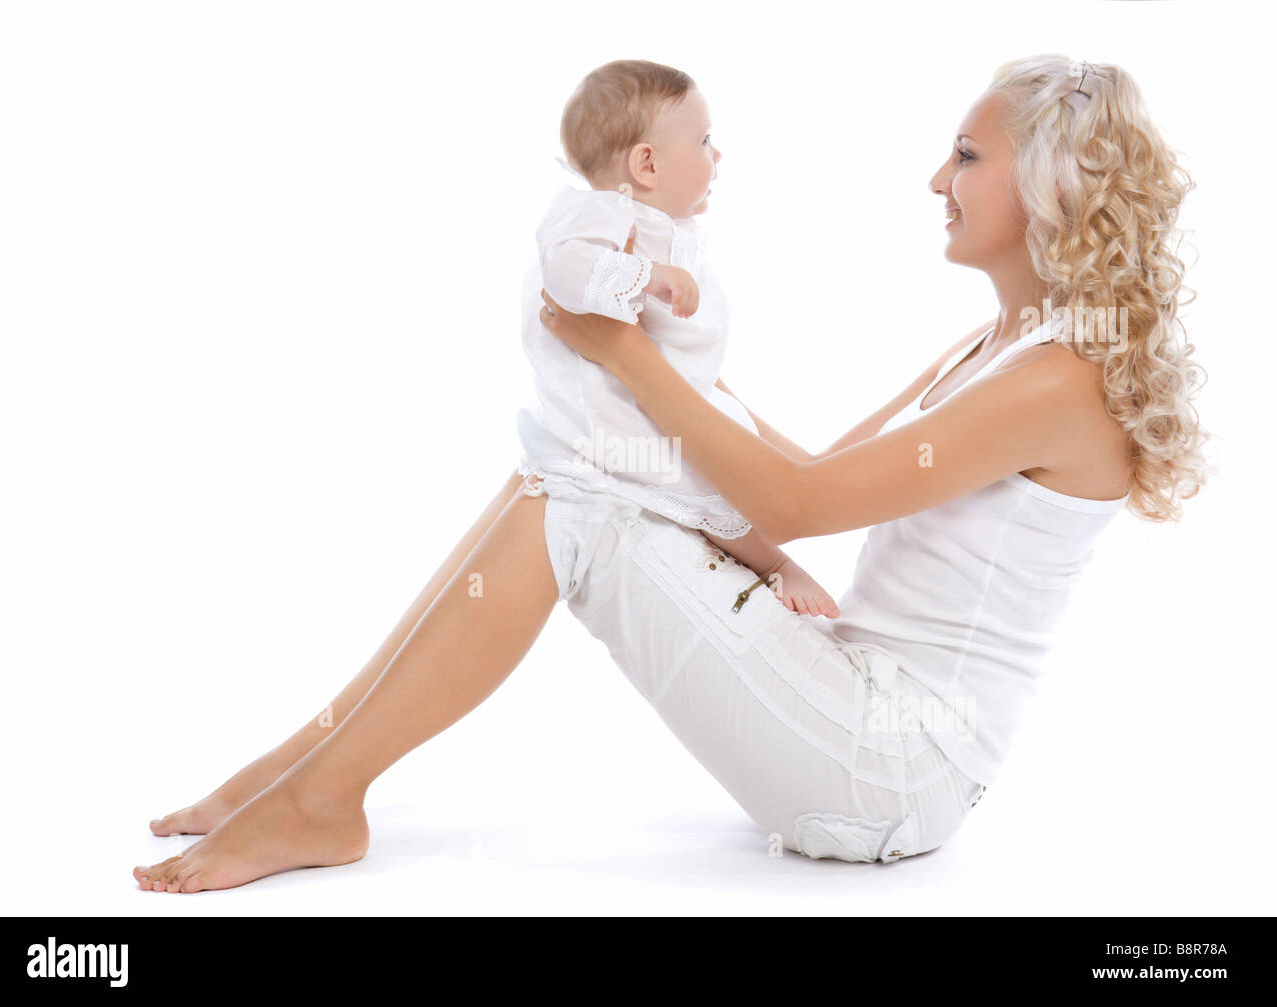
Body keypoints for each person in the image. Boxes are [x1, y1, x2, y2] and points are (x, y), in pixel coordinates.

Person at [135, 55, 1209, 892]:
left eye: (966, 158)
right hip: (852, 708)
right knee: (565, 468)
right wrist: (652, 392)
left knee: (581, 498)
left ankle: (321, 794)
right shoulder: (997, 348)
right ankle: (304, 765)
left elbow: (793, 502)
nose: (937, 177)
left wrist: (627, 357)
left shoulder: (1059, 376)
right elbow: (810, 469)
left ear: (1048, 182)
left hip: (889, 769)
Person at [518, 59, 839, 616]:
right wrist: (648, 277)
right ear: (646, 164)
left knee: (732, 444)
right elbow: (564, 271)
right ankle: (772, 562)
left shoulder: (648, 220)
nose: (718, 155)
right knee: (698, 475)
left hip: (657, 390)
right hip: (612, 413)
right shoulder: (600, 214)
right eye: (705, 140)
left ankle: (785, 513)